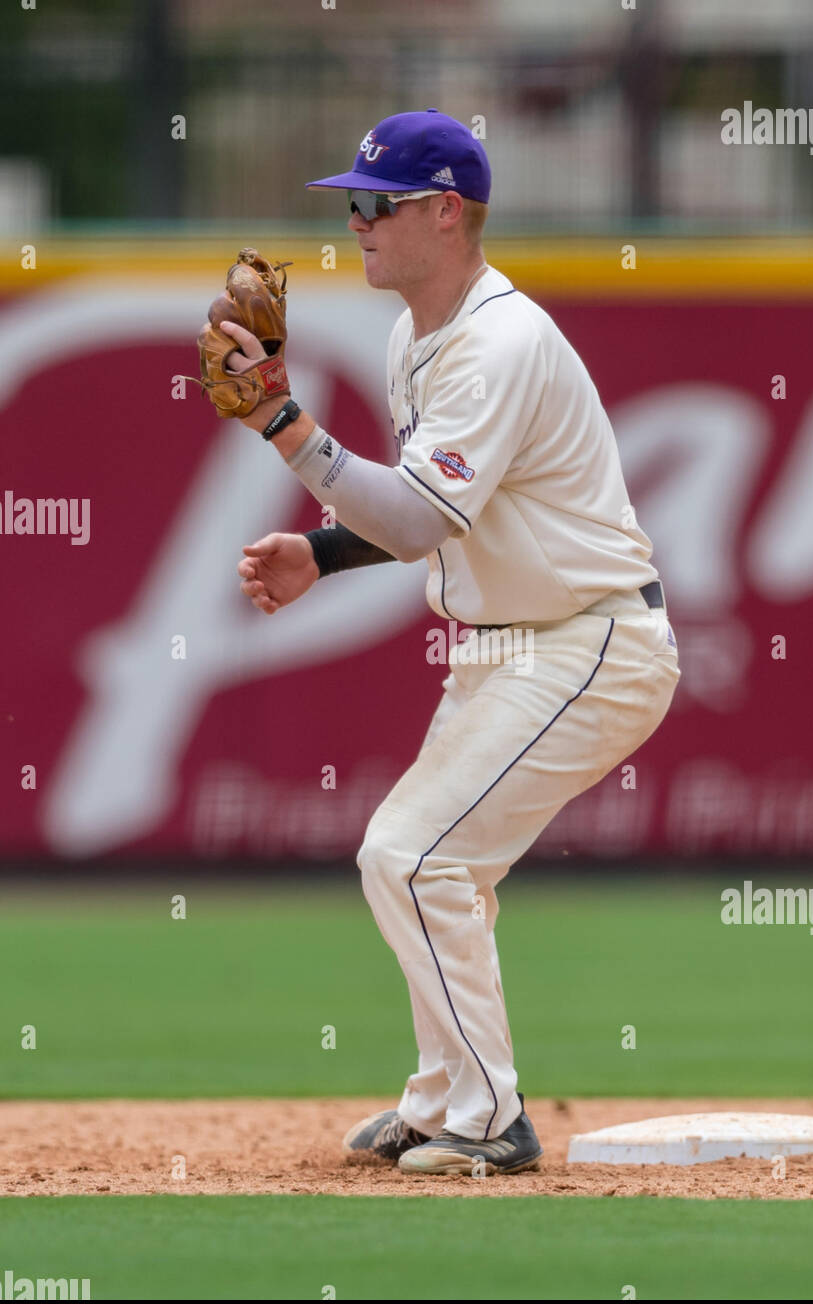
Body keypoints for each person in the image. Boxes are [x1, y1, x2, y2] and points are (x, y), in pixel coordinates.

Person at [224, 109, 680, 1176]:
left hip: (588, 640)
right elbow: (425, 509)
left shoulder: (499, 342)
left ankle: (486, 1116)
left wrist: (286, 425)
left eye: (378, 205)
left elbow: (427, 517)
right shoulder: (414, 335)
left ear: (445, 212)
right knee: (434, 866)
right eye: (351, 204)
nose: (358, 223)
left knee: (413, 854)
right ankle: (444, 1098)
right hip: (512, 642)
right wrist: (323, 555)